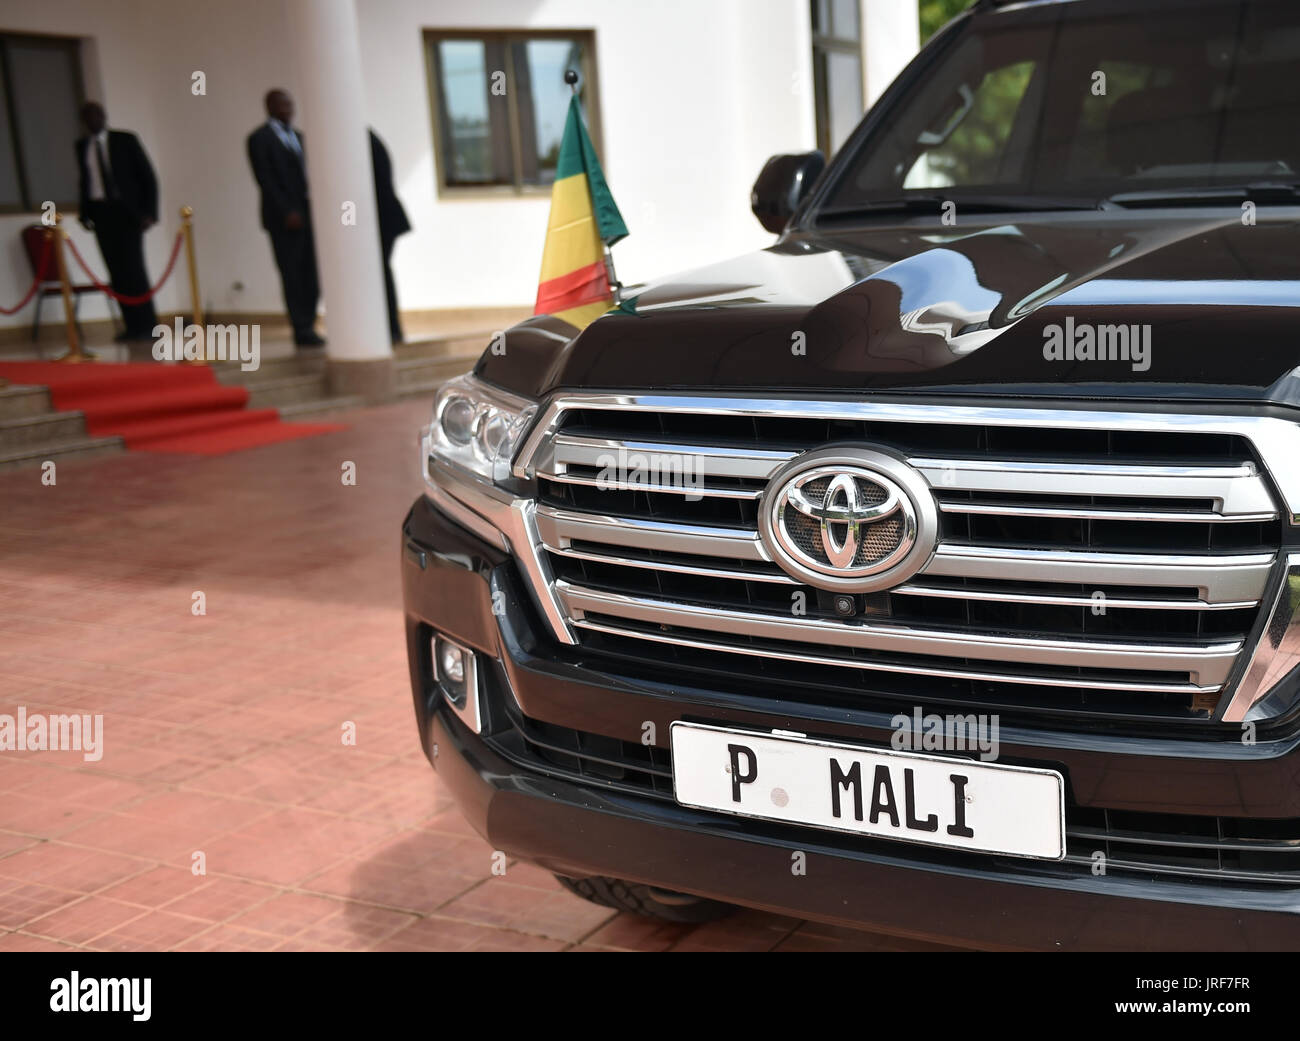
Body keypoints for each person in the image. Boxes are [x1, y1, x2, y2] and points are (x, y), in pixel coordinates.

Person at [75, 102, 159, 342]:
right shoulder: (82, 146)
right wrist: (84, 213)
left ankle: (148, 325)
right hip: (102, 213)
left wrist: (150, 212)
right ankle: (132, 326)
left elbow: (147, 176)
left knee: (134, 269)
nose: (92, 120)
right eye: (86, 117)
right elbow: (86, 180)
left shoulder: (125, 140)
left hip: (128, 212)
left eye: (95, 115)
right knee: (116, 271)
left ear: (103, 117)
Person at [247, 89, 324, 347]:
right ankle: (300, 326)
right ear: (269, 106)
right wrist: (286, 211)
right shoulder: (259, 139)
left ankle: (311, 322)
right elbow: (265, 179)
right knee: (291, 273)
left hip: (308, 214)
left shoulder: (300, 137)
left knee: (311, 272)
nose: (288, 109)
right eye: (282, 105)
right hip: (283, 219)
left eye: (290, 104)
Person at [369, 129, 411, 345]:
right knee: (379, 273)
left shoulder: (361, 140)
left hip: (381, 220)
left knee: (379, 273)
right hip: (380, 219)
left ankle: (391, 329)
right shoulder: (365, 137)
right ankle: (390, 329)